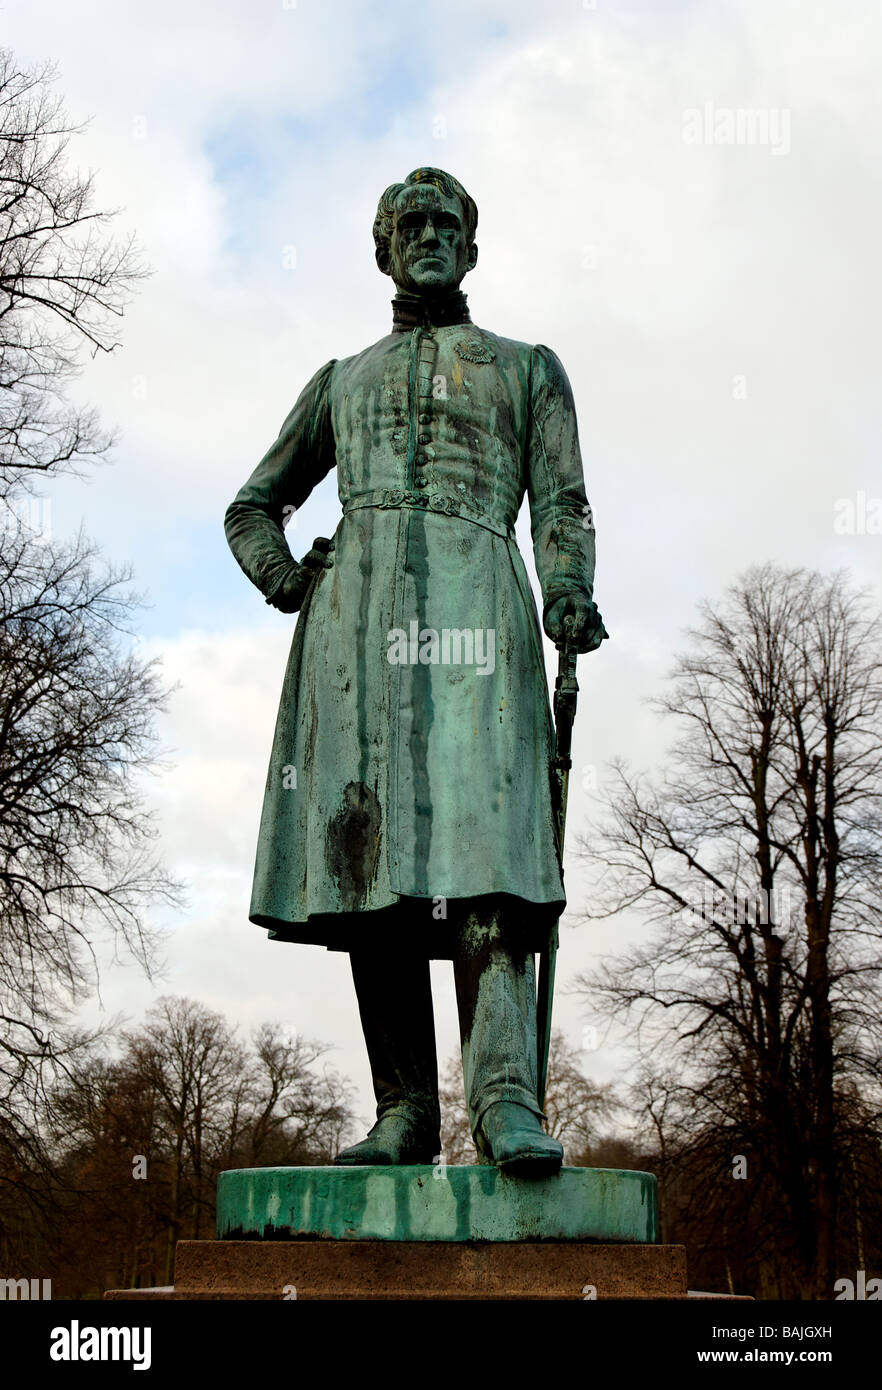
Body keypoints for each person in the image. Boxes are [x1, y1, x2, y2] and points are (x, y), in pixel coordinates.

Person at [225, 167, 606, 1174]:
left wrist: (568, 587)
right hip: (353, 637)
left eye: (449, 224)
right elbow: (253, 504)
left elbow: (561, 503)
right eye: (412, 224)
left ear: (472, 250)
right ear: (385, 248)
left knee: (486, 857)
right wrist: (285, 579)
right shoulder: (341, 378)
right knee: (370, 871)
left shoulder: (526, 367)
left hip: (480, 615)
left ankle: (505, 1099)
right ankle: (404, 1111)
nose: (431, 236)